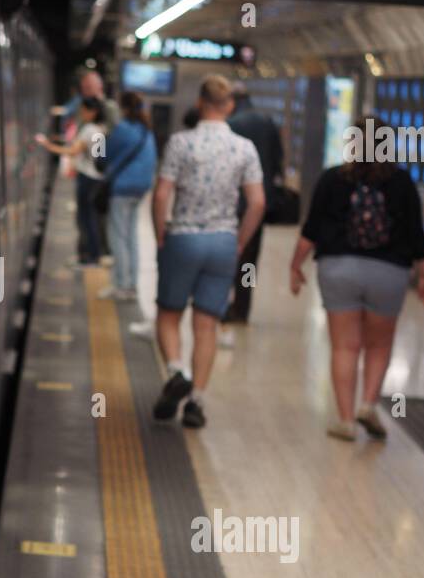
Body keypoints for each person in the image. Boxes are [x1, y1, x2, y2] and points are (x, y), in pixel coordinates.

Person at [289, 121, 424, 440]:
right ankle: (368, 404)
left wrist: (295, 266)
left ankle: (345, 421)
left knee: (345, 346)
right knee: (379, 345)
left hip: (338, 268)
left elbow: (310, 230)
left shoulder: (332, 178)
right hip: (389, 273)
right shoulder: (401, 183)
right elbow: (415, 235)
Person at [151, 75, 266, 429]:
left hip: (183, 238)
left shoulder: (180, 143)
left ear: (200, 103)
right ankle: (196, 402)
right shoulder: (244, 148)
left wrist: (160, 235)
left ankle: (175, 372)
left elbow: (161, 194)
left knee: (169, 314)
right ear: (229, 105)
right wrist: (239, 240)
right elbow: (257, 202)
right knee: (207, 324)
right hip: (222, 242)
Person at [226, 85, 285, 323]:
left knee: (230, 255)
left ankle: (225, 303)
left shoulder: (232, 124)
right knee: (249, 259)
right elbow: (278, 159)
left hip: (234, 201)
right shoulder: (267, 121)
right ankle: (243, 306)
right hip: (260, 201)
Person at [35, 98, 107, 266]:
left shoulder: (89, 129)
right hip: (96, 178)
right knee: (91, 219)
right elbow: (99, 157)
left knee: (85, 219)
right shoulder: (99, 130)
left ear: (92, 111)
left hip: (87, 179)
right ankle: (94, 255)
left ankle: (89, 257)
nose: (81, 113)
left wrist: (49, 146)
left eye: (84, 110)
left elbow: (73, 151)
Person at [99, 91, 157, 300]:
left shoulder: (123, 129)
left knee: (118, 237)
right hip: (141, 188)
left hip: (122, 187)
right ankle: (131, 285)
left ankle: (121, 285)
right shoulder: (146, 129)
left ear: (124, 108)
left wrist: (101, 136)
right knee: (131, 236)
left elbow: (103, 155)